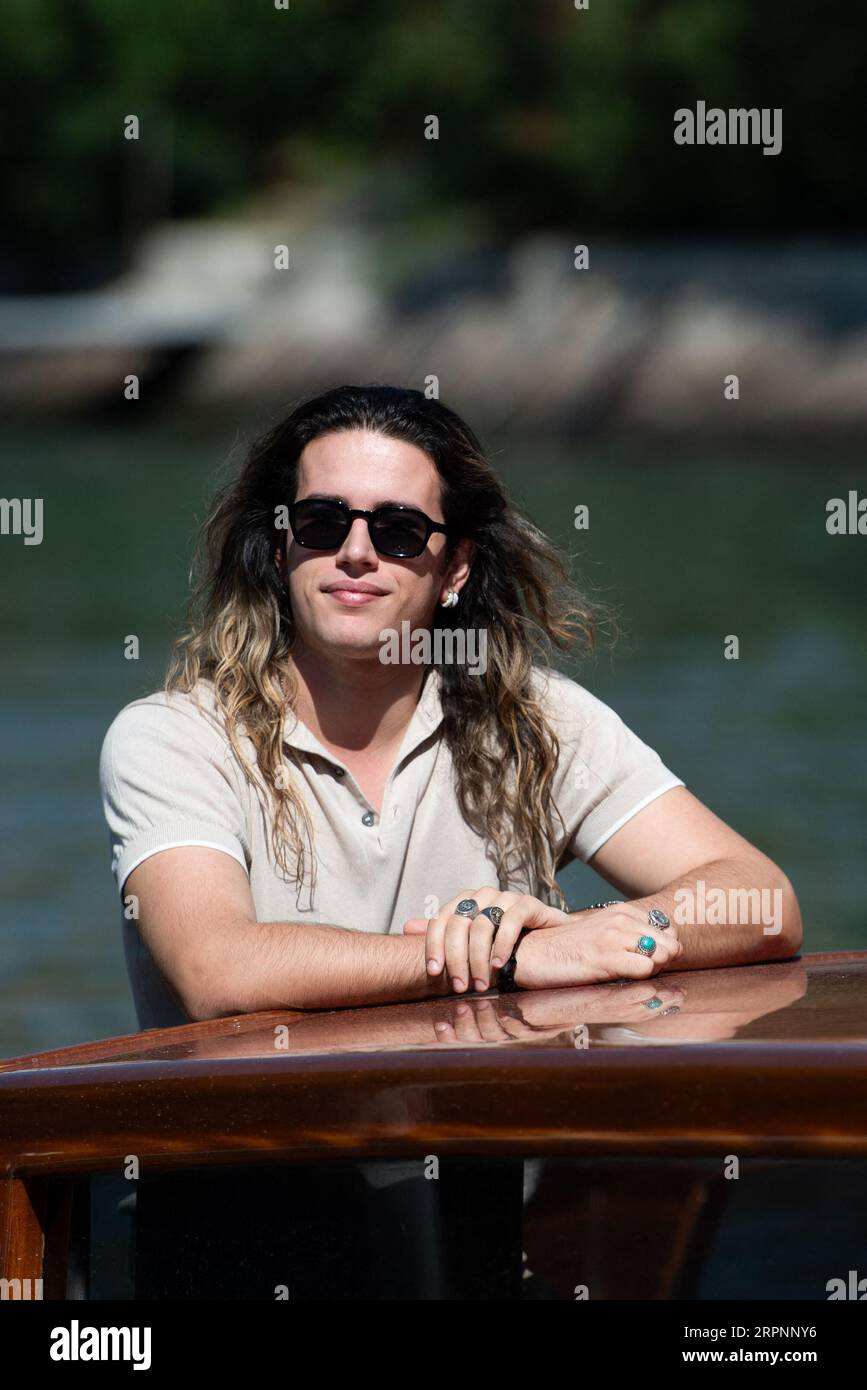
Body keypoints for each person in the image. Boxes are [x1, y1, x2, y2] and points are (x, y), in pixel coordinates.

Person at [98, 382, 802, 1299]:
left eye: (396, 532)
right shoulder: (170, 737)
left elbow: (760, 899)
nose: (355, 553)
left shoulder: (538, 724)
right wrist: (496, 957)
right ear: (280, 548)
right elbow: (217, 968)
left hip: (473, 1222)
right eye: (320, 523)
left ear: (455, 567)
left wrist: (593, 936)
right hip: (234, 1232)